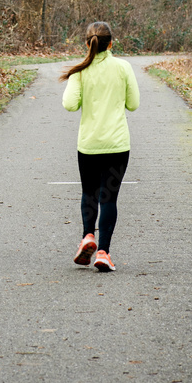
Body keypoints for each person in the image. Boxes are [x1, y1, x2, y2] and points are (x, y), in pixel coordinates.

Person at [60, 21, 140, 271]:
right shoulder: (123, 67)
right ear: (111, 44)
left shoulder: (80, 71)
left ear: (87, 43)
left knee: (89, 192)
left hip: (89, 145)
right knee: (109, 198)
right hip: (117, 145)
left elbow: (70, 105)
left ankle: (88, 237)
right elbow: (133, 104)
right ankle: (104, 253)